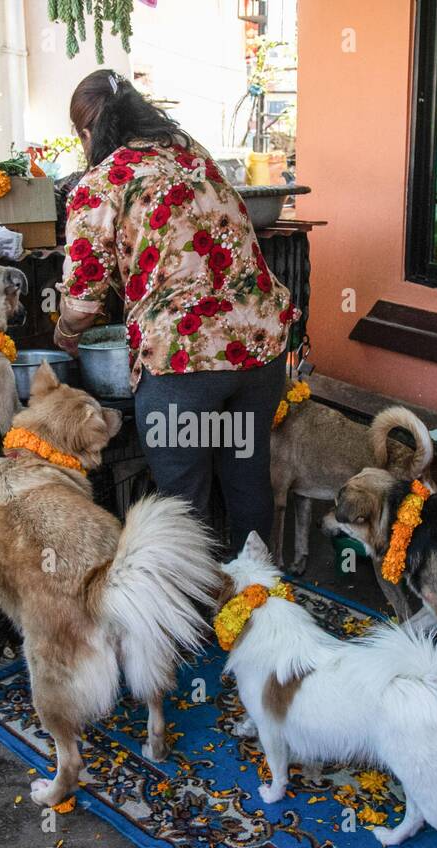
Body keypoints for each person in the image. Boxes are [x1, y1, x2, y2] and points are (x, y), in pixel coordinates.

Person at [54, 69, 297, 551]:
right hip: (259, 351)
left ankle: (197, 620)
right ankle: (256, 602)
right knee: (247, 482)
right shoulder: (196, 158)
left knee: (183, 503)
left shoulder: (100, 184)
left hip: (184, 362)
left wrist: (65, 333)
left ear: (87, 132)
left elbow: (82, 303)